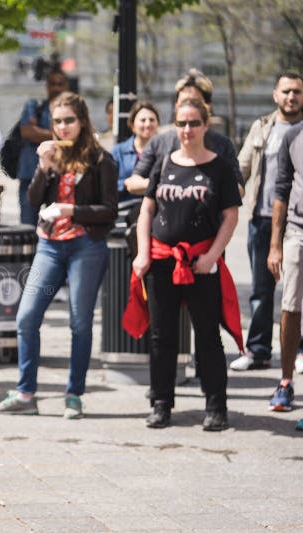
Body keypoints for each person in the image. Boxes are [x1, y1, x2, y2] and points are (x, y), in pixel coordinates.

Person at [0, 91, 118, 419]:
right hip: (49, 245)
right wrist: (43, 165)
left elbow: (109, 211)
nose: (62, 127)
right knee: (26, 316)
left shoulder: (101, 160)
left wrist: (70, 210)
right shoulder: (51, 154)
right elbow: (33, 201)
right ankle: (25, 393)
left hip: (85, 247)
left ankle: (74, 394)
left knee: (79, 322)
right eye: (57, 121)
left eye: (68, 121)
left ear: (82, 121)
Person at [127, 98, 242, 431]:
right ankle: (161, 403)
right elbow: (147, 210)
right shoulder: (164, 161)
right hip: (163, 262)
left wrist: (211, 257)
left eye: (193, 123)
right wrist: (143, 253)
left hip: (201, 263)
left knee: (207, 336)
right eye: (181, 123)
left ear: (206, 125)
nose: (187, 130)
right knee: (162, 337)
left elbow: (230, 217)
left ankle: (216, 406)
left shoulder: (218, 167)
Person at [231, 72, 303, 374]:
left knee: (297, 293)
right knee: (262, 291)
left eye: (297, 92)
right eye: (286, 91)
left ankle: (299, 352)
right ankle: (259, 349)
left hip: (297, 222)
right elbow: (240, 169)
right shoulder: (262, 128)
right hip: (262, 219)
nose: (291, 96)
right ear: (275, 94)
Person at [124, 69, 243, 197]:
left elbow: (239, 189)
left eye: (195, 103)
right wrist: (166, 184)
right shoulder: (159, 142)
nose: (188, 108)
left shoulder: (222, 144)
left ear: (207, 107)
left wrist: (206, 186)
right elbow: (133, 183)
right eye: (183, 103)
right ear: (176, 106)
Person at [268, 103, 303, 414]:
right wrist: (275, 245)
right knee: (290, 308)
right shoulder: (293, 136)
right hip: (297, 232)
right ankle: (285, 382)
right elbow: (281, 191)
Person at [17, 68, 70, 224]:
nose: (56, 88)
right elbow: (27, 131)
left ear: (66, 86)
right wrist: (60, 136)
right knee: (28, 227)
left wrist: (41, 133)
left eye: (60, 84)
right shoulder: (34, 105)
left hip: (59, 177)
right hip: (30, 174)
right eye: (53, 84)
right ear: (47, 86)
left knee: (57, 225)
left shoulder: (72, 111)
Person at [111, 101, 161, 202]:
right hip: (124, 210)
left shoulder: (165, 151)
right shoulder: (118, 151)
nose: (147, 124)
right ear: (132, 125)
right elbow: (107, 185)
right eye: (143, 120)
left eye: (152, 120)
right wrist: (126, 184)